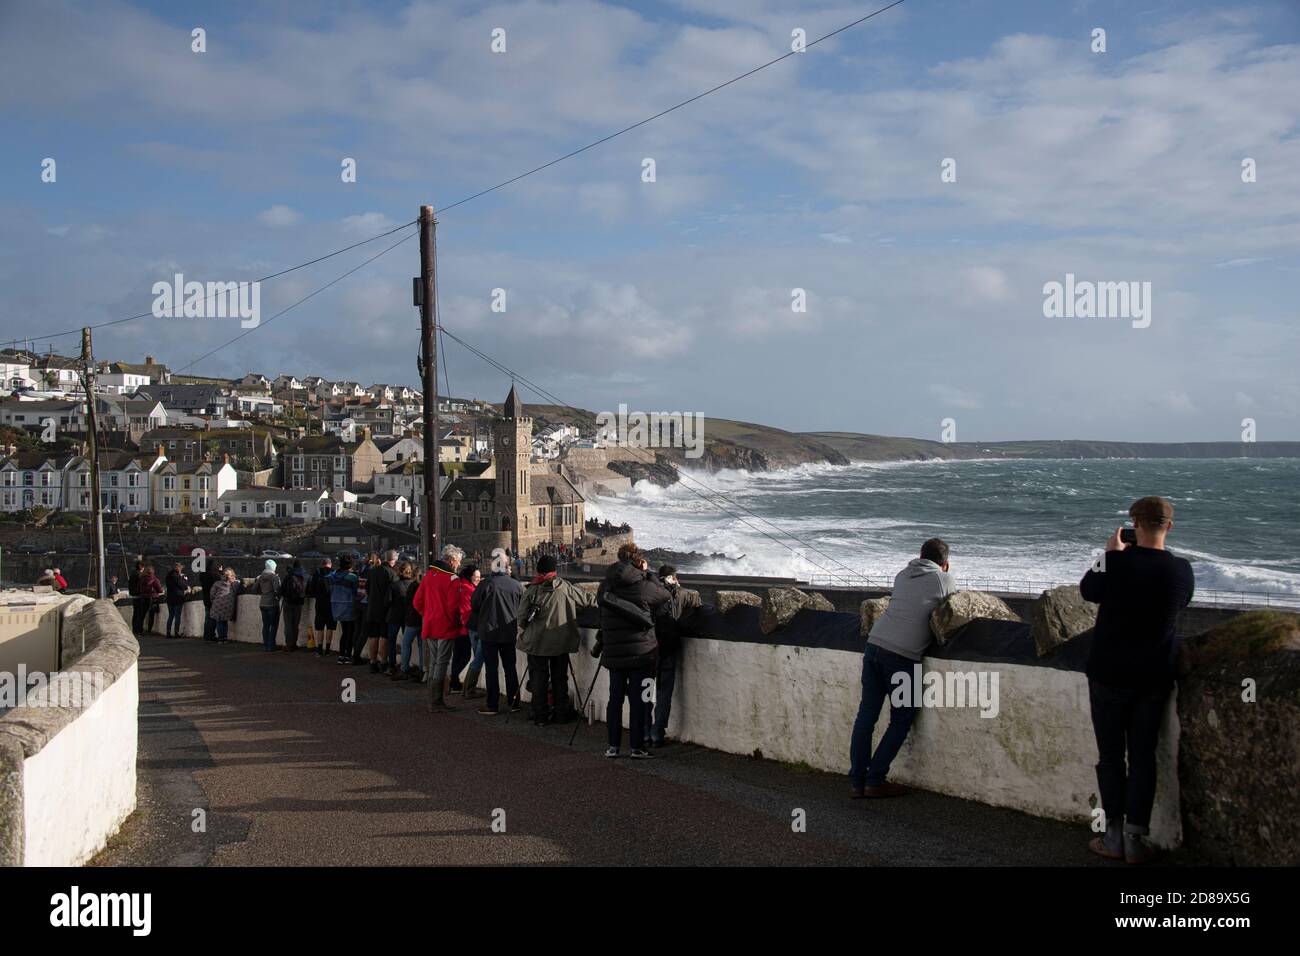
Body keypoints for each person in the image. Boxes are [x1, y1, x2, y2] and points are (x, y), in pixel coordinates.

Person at [1079, 496, 1194, 864]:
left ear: (1135, 524)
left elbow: (1087, 591)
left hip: (1108, 674)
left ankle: (1112, 837)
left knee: (1111, 756)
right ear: (1169, 527)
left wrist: (1108, 553)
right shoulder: (1181, 571)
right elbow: (1181, 604)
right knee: (1143, 757)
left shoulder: (1114, 562)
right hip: (1152, 677)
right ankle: (1135, 840)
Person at [848, 538, 956, 798]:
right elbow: (949, 610)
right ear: (945, 563)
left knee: (867, 716)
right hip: (902, 656)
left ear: (919, 555)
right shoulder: (944, 580)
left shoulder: (901, 575)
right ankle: (875, 779)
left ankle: (856, 781)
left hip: (874, 645)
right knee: (902, 717)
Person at [596, 544, 671, 757]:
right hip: (643, 655)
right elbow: (665, 595)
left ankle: (613, 746)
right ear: (638, 561)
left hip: (613, 654)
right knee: (642, 700)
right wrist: (649, 574)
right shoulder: (644, 585)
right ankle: (637, 747)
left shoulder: (606, 586)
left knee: (615, 699)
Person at [518, 553, 596, 725]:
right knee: (560, 678)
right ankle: (561, 714)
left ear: (539, 571)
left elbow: (522, 618)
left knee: (538, 679)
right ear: (555, 570)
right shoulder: (565, 587)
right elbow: (588, 599)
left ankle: (541, 717)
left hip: (537, 643)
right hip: (561, 642)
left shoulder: (532, 590)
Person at [649, 565, 701, 747]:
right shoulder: (680, 594)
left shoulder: (650, 593)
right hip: (668, 649)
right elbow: (696, 598)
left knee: (647, 691)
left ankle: (644, 729)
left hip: (649, 651)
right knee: (664, 693)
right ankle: (657, 732)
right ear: (673, 578)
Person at [412, 544, 463, 712]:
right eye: (458, 561)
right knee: (441, 663)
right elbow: (453, 608)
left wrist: (427, 615)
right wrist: (456, 623)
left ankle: (432, 700)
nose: (459, 565)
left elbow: (417, 602)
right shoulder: (452, 579)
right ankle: (436, 701)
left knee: (434, 662)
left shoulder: (429, 575)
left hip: (430, 624)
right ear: (452, 560)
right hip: (445, 626)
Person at [472, 550, 524, 715]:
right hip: (509, 632)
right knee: (510, 668)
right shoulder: (517, 585)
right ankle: (514, 702)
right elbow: (522, 608)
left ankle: (492, 704)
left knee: (491, 669)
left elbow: (474, 605)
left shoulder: (486, 584)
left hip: (489, 633)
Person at [363, 550, 399, 674]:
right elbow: (394, 593)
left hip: (372, 608)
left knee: (373, 636)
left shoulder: (373, 571)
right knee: (384, 637)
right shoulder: (391, 573)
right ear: (393, 560)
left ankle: (373, 662)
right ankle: (384, 662)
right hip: (385, 610)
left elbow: (367, 588)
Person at [391, 562, 422, 681]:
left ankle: (404, 669)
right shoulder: (422, 586)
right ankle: (422, 670)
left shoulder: (413, 587)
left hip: (412, 620)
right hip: (422, 620)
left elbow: (408, 602)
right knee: (421, 645)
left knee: (406, 643)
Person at [453, 564, 481, 696]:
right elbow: (467, 611)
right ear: (470, 577)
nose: (478, 580)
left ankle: (455, 683)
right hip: (465, 629)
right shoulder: (468, 589)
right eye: (476, 577)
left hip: (458, 627)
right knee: (465, 657)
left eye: (480, 577)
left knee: (458, 656)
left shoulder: (461, 586)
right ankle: (455, 682)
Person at [330, 556, 361, 664]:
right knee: (350, 632)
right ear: (351, 565)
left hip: (337, 607)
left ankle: (341, 655)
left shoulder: (334, 576)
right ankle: (347, 655)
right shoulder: (352, 577)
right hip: (350, 606)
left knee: (344, 632)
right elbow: (357, 592)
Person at [310, 558, 336, 656]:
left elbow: (312, 589)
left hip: (320, 603)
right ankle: (328, 651)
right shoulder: (334, 573)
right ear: (330, 564)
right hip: (331, 604)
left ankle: (320, 650)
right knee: (330, 627)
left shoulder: (317, 573)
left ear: (322, 564)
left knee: (320, 628)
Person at [281, 560, 308, 652]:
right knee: (295, 624)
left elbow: (282, 590)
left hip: (288, 602)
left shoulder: (289, 576)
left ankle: (289, 645)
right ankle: (294, 644)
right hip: (299, 603)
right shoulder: (304, 576)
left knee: (288, 624)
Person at [256, 559, 282, 652]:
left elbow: (255, 588)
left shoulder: (260, 577)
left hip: (262, 603)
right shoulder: (274, 577)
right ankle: (271, 645)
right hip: (272, 603)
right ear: (274, 567)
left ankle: (266, 645)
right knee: (274, 625)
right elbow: (277, 590)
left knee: (266, 625)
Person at [209, 568, 239, 643]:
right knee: (224, 621)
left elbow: (212, 593)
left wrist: (213, 600)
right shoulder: (234, 584)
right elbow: (237, 588)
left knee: (219, 621)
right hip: (228, 605)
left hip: (217, 604)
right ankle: (224, 638)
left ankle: (221, 638)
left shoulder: (217, 583)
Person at [164, 562, 190, 638]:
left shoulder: (168, 576)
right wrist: (185, 580)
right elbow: (184, 586)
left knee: (171, 616)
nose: (181, 570)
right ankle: (176, 633)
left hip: (169, 598)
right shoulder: (177, 577)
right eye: (181, 568)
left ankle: (168, 633)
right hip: (178, 598)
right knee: (177, 616)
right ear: (178, 568)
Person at [200, 560, 223, 642]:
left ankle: (206, 636)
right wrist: (220, 572)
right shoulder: (214, 575)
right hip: (213, 598)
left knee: (207, 618)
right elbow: (220, 582)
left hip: (205, 598)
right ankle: (211, 636)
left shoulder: (203, 574)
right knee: (212, 618)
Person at [140, 565, 164, 634]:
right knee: (151, 615)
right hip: (152, 598)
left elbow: (138, 588)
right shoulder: (155, 579)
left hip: (143, 598)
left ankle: (140, 630)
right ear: (153, 572)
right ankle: (149, 630)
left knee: (142, 615)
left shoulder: (142, 579)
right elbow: (160, 590)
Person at [128, 560, 147, 636]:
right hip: (139, 596)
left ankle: (135, 630)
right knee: (140, 614)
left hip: (134, 595)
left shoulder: (132, 574)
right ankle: (139, 630)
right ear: (141, 567)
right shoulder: (139, 575)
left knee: (135, 613)